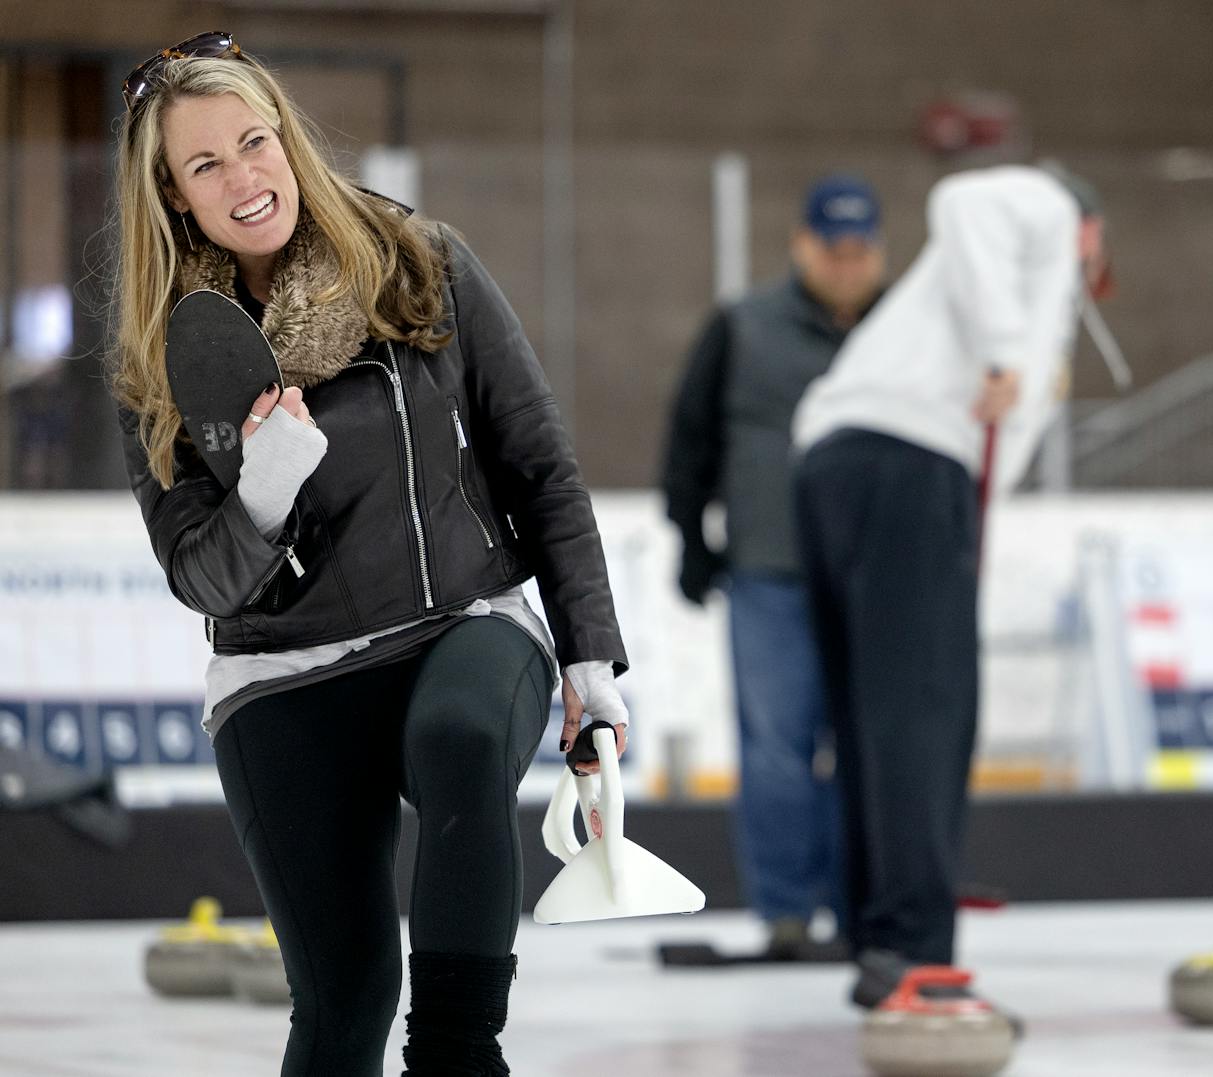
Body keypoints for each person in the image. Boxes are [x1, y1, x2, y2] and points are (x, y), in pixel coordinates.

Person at [106, 32, 628, 1077]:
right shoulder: (159, 356)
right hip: (282, 674)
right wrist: (262, 491)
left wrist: (591, 657)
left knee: (462, 737)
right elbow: (199, 575)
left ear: (286, 139)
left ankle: (457, 1054)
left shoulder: (421, 263)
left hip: (460, 626)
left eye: (255, 142)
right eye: (206, 164)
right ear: (173, 194)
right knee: (343, 1006)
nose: (244, 177)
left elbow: (540, 467)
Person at [790, 163, 1106, 1008]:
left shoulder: (998, 296)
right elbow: (961, 198)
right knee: (924, 715)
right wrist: (1004, 350)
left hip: (837, 465)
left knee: (873, 715)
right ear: (1092, 232)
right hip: (909, 463)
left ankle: (876, 933)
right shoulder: (1047, 213)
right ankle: (913, 951)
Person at [661, 175, 885, 956]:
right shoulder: (742, 326)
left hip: (877, 580)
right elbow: (691, 436)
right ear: (802, 245)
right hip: (771, 570)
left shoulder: (906, 331)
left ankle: (862, 908)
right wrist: (691, 536)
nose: (847, 266)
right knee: (777, 750)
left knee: (868, 747)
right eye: (833, 250)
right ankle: (787, 910)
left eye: (860, 251)